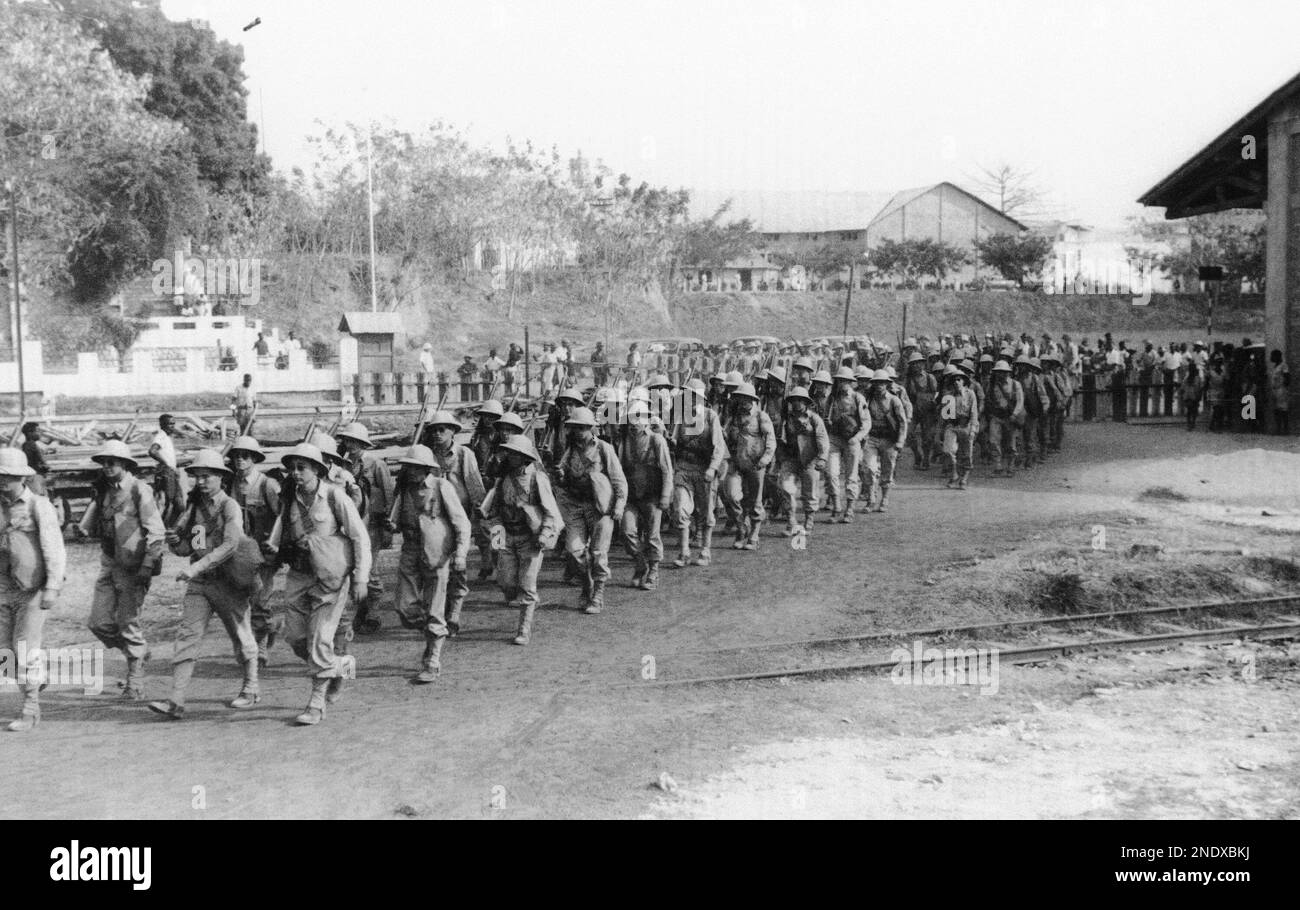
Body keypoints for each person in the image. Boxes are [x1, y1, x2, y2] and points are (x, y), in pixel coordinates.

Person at [262, 443, 370, 726]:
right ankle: (342, 665)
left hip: (331, 577)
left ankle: (316, 703)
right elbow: (279, 533)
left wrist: (360, 577)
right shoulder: (288, 499)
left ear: (318, 471)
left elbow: (359, 537)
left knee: (320, 639)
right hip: (299, 575)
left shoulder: (335, 496)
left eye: (302, 468)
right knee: (298, 639)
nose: (296, 473)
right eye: (292, 468)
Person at [148, 449, 261, 719]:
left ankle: (251, 685)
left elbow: (231, 544)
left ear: (221, 478)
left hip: (229, 581)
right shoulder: (194, 508)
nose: (200, 481)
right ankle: (175, 699)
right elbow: (191, 548)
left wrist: (196, 565)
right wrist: (177, 544)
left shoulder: (229, 506)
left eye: (206, 476)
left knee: (241, 636)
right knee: (187, 637)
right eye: (196, 477)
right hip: (200, 583)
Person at [78, 440, 166, 700]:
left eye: (111, 462)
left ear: (125, 464)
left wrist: (148, 564)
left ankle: (135, 681)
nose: (106, 466)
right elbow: (92, 525)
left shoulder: (139, 490)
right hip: (109, 562)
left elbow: (156, 530)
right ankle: (137, 653)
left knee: (128, 622)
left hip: (134, 565)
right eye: (103, 462)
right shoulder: (104, 491)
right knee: (99, 622)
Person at [387, 445, 470, 683]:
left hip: (437, 555)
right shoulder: (403, 490)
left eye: (415, 468)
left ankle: (432, 661)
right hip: (410, 551)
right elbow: (397, 519)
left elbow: (461, 523)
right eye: (408, 467)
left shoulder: (442, 487)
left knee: (434, 609)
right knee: (404, 607)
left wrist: (461, 555)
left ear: (426, 469)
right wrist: (393, 525)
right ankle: (435, 628)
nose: (411, 472)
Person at [0, 448, 66, 731]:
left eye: (9, 477)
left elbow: (54, 548)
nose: (3, 482)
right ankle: (36, 680)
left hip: (33, 588)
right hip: (3, 587)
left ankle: (30, 709)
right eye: (0, 477)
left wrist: (52, 586)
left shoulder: (38, 505)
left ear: (21, 478)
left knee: (24, 650)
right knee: (4, 654)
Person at [480, 436, 562, 645]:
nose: (512, 456)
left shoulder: (537, 478)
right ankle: (521, 599)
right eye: (510, 452)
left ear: (526, 457)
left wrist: (544, 535)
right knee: (505, 582)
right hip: (506, 535)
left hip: (530, 537)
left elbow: (551, 511)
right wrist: (496, 543)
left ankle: (523, 630)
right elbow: (494, 512)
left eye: (517, 453)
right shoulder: (502, 479)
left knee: (527, 585)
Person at [555, 406, 627, 614]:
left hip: (600, 507)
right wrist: (560, 476)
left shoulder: (604, 449)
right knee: (574, 550)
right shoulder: (570, 450)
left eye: (581, 428)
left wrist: (619, 505)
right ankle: (587, 587)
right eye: (574, 428)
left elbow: (618, 479)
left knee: (598, 553)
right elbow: (562, 475)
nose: (578, 432)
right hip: (576, 505)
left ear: (590, 428)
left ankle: (598, 594)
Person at [422, 410, 487, 632]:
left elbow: (474, 483)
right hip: (435, 518)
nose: (438, 434)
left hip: (460, 515)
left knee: (458, 565)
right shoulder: (427, 455)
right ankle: (438, 610)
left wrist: (481, 510)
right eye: (434, 430)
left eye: (443, 430)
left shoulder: (464, 454)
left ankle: (454, 612)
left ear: (453, 432)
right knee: (438, 566)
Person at [227, 437, 283, 669]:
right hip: (240, 553)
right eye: (236, 456)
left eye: (245, 456)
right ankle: (270, 627)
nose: (240, 460)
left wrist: (276, 545)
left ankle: (259, 647)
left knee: (260, 599)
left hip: (264, 554)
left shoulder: (267, 485)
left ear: (255, 459)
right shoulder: (232, 485)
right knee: (242, 600)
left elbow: (282, 517)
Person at [335, 422, 396, 632]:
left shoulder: (376, 465)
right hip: (348, 524)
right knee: (354, 568)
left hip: (372, 524)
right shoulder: (340, 467)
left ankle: (374, 613)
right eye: (348, 441)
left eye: (356, 442)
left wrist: (389, 525)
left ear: (363, 444)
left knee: (370, 569)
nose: (351, 445)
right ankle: (361, 609)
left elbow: (389, 495)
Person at [669, 378, 726, 567]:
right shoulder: (680, 417)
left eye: (694, 396)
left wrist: (712, 468)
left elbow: (719, 447)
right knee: (680, 510)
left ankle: (705, 550)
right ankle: (684, 551)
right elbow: (674, 440)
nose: (690, 400)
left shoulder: (711, 417)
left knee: (706, 512)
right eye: (687, 396)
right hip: (684, 469)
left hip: (704, 470)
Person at [617, 400, 673, 589]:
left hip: (653, 495)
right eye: (631, 419)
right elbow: (619, 470)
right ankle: (640, 563)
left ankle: (654, 571)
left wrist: (666, 496)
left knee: (652, 535)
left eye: (639, 419)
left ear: (647, 420)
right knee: (627, 531)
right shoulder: (624, 441)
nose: (634, 423)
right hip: (631, 496)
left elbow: (666, 470)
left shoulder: (657, 440)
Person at [721, 382, 775, 549]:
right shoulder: (733, 416)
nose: (743, 402)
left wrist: (764, 460)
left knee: (755, 500)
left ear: (752, 400)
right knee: (730, 494)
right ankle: (741, 527)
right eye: (740, 398)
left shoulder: (761, 416)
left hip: (755, 463)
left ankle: (754, 535)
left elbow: (771, 441)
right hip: (736, 462)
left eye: (746, 399)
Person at [776, 387, 828, 537]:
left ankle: (809, 521)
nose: (797, 403)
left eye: (800, 400)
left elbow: (822, 439)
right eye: (794, 400)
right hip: (791, 458)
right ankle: (791, 521)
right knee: (785, 487)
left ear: (806, 402)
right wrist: (781, 457)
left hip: (809, 459)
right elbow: (780, 440)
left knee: (810, 491)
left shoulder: (814, 419)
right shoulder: (786, 419)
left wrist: (822, 458)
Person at [822, 366, 870, 521]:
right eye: (840, 381)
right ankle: (836, 507)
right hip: (834, 438)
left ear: (851, 382)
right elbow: (825, 418)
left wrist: (858, 437)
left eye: (845, 381)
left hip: (852, 439)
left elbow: (866, 422)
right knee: (831, 473)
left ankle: (849, 509)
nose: (842, 384)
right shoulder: (831, 398)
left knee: (851, 475)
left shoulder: (858, 398)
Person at [863, 370, 908, 512]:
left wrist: (900, 441)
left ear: (887, 384)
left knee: (887, 470)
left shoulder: (894, 400)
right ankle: (871, 499)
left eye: (882, 383)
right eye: (877, 383)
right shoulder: (868, 399)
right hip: (872, 437)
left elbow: (902, 422)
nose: (879, 386)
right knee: (869, 468)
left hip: (889, 439)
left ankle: (885, 499)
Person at [939, 365, 978, 490]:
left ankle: (965, 477)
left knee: (967, 454)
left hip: (966, 425)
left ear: (964, 381)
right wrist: (940, 430)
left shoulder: (970, 394)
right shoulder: (948, 395)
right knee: (948, 450)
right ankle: (955, 474)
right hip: (952, 425)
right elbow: (944, 416)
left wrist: (972, 429)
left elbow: (973, 413)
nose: (957, 382)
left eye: (959, 379)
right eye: (954, 380)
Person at [987, 361, 1026, 476]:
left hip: (1010, 417)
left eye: (1003, 372)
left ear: (1008, 373)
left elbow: (1020, 401)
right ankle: (998, 466)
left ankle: (1011, 466)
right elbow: (989, 399)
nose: (1001, 374)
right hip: (997, 416)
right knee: (994, 441)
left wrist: (1015, 414)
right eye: (999, 372)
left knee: (1011, 443)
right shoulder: (993, 384)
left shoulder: (1015, 384)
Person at [904, 353, 938, 471]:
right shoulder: (908, 380)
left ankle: (926, 459)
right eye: (914, 364)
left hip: (928, 410)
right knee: (908, 434)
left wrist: (931, 402)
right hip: (914, 410)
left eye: (919, 363)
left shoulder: (930, 378)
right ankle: (917, 455)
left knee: (927, 437)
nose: (917, 366)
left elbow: (936, 393)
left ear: (923, 364)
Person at [20, 422, 49, 497]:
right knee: (38, 499)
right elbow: (34, 463)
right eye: (37, 431)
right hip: (34, 477)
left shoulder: (27, 444)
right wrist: (45, 467)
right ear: (30, 433)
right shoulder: (31, 445)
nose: (40, 433)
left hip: (34, 476)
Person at [1181, 361, 1207, 431]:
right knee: (1190, 410)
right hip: (1189, 396)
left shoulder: (1197, 378)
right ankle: (1190, 423)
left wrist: (1199, 396)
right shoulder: (1187, 378)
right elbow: (1182, 387)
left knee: (1193, 410)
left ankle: (1192, 423)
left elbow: (1200, 388)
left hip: (1194, 396)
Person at [1270, 349, 1290, 435]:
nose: (1271, 358)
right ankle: (1278, 428)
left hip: (1281, 389)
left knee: (1283, 409)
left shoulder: (1283, 365)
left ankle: (1285, 429)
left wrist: (1284, 387)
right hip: (1275, 389)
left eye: (1273, 356)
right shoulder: (1275, 366)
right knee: (1276, 409)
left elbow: (1287, 377)